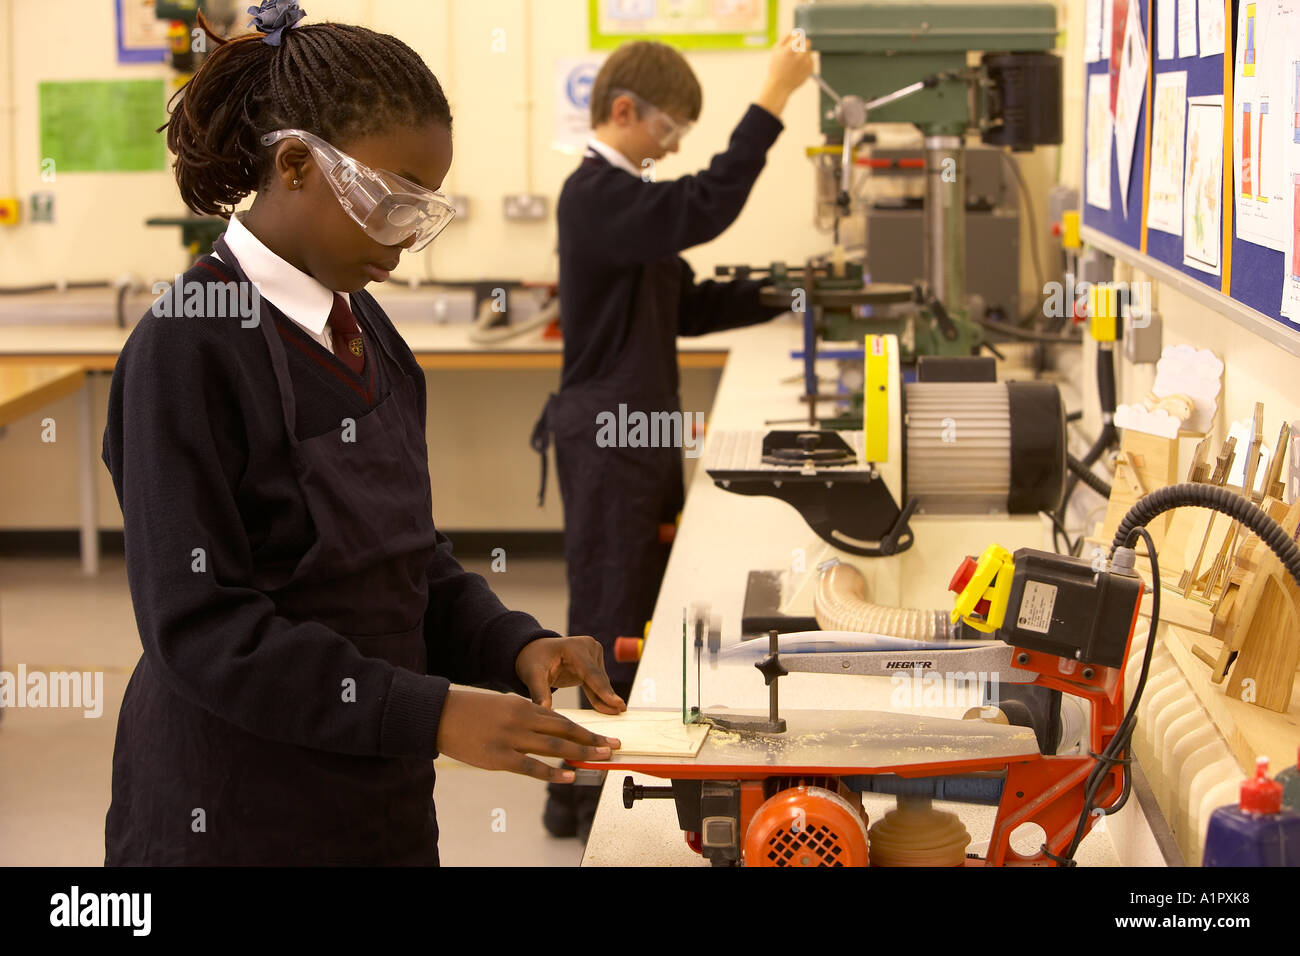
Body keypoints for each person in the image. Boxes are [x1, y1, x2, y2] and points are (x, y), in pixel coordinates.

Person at [102, 1, 624, 866]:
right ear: (297, 165)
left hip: (370, 793)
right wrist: (432, 712)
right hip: (235, 811)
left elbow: (405, 557)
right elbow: (201, 630)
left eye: (425, 209)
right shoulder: (187, 349)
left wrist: (511, 642)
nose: (405, 240)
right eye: (388, 202)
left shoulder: (365, 327)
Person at [531, 36, 813, 838]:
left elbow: (687, 306)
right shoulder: (596, 194)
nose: (676, 147)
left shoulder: (630, 208)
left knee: (647, 606)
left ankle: (635, 757)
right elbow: (709, 202)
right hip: (609, 436)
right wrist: (774, 95)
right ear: (624, 111)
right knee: (606, 609)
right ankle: (576, 785)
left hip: (642, 431)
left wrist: (790, 288)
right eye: (670, 130)